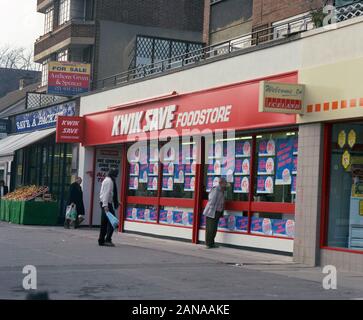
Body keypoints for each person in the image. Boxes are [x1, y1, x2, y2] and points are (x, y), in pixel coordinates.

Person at [202, 177, 227, 249]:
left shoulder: (222, 190)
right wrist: (212, 210)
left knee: (214, 228)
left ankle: (212, 243)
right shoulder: (216, 189)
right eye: (225, 183)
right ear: (221, 183)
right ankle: (208, 244)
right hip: (212, 212)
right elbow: (211, 201)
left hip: (217, 212)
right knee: (210, 228)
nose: (225, 185)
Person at [98, 169, 120, 247]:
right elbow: (106, 193)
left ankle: (101, 240)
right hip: (107, 204)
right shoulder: (109, 181)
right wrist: (105, 205)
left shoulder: (107, 180)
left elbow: (108, 194)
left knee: (104, 223)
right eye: (116, 176)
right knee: (112, 222)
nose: (116, 178)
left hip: (105, 203)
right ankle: (107, 239)